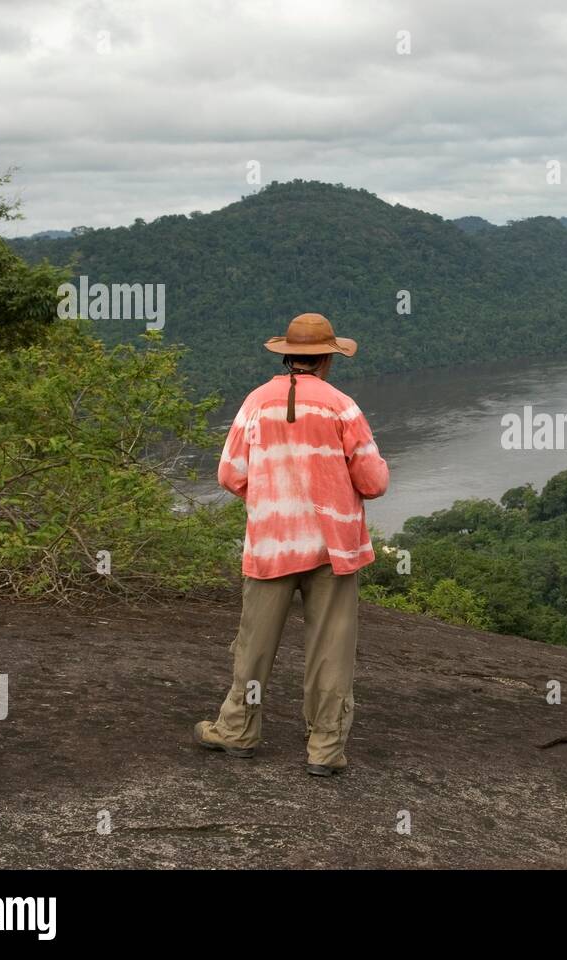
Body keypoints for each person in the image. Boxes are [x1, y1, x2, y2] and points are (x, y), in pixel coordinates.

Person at [194, 312, 388, 776]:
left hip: (271, 543)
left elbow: (229, 474)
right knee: (331, 648)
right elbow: (374, 481)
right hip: (333, 547)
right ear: (326, 359)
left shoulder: (255, 403)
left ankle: (238, 731)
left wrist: (269, 496)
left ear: (288, 355)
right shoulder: (343, 407)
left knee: (255, 644)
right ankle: (324, 749)